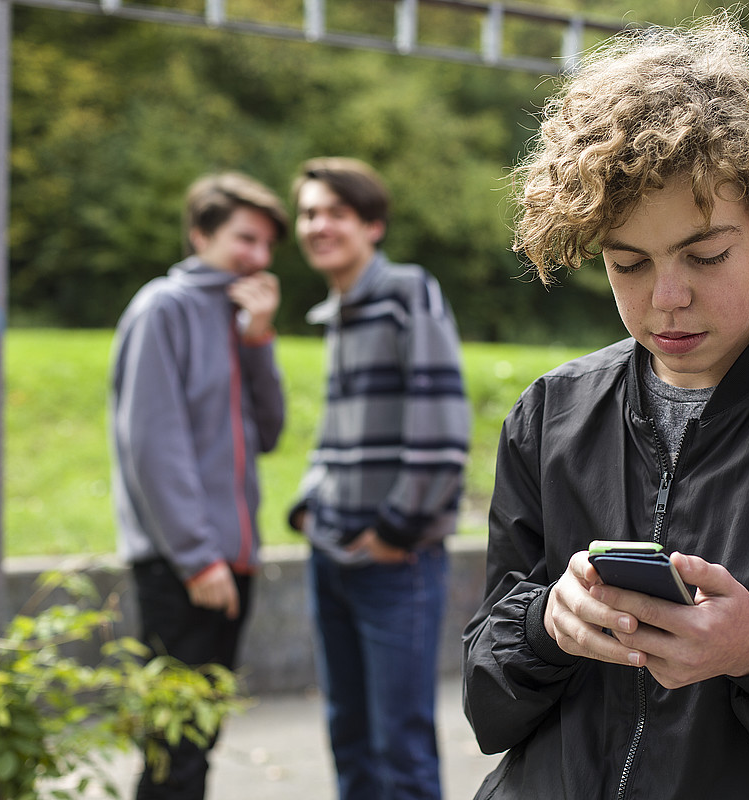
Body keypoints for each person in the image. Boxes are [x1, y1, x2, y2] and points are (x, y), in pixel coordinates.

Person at [461, 13, 749, 800]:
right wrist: (548, 626)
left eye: (705, 255)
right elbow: (485, 705)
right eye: (627, 264)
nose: (666, 300)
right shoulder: (550, 414)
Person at [287, 157, 470, 800]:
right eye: (309, 213)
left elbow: (442, 428)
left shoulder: (405, 292)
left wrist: (397, 529)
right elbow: (339, 428)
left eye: (336, 212)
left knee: (401, 746)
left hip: (395, 559)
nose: (318, 225)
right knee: (350, 736)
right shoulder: (338, 310)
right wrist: (309, 505)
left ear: (373, 225)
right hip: (330, 550)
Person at [108, 171, 288, 800]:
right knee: (174, 746)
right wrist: (196, 556)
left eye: (267, 245)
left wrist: (259, 338)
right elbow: (152, 446)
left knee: (198, 739)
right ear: (199, 234)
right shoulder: (164, 307)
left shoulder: (237, 316)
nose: (258, 258)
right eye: (245, 239)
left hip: (228, 558)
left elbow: (269, 431)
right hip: (183, 563)